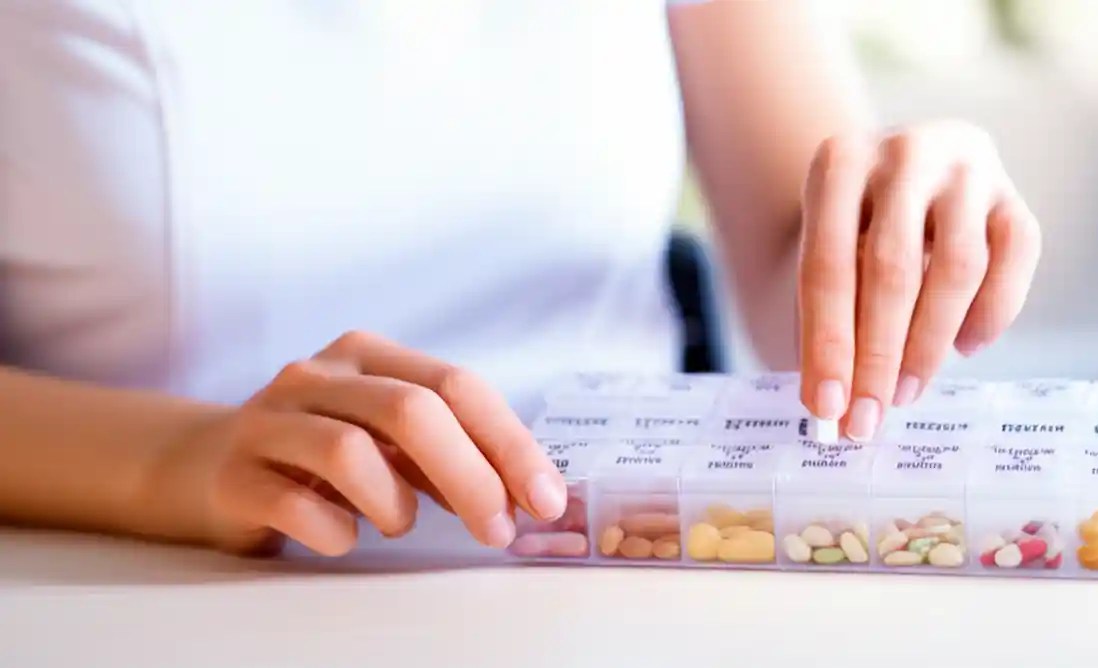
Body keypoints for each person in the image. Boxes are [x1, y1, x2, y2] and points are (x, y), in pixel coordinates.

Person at [0, 1, 1040, 558]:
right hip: (157, 595)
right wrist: (173, 459)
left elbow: (795, 282)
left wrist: (903, 229)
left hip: (635, 588)